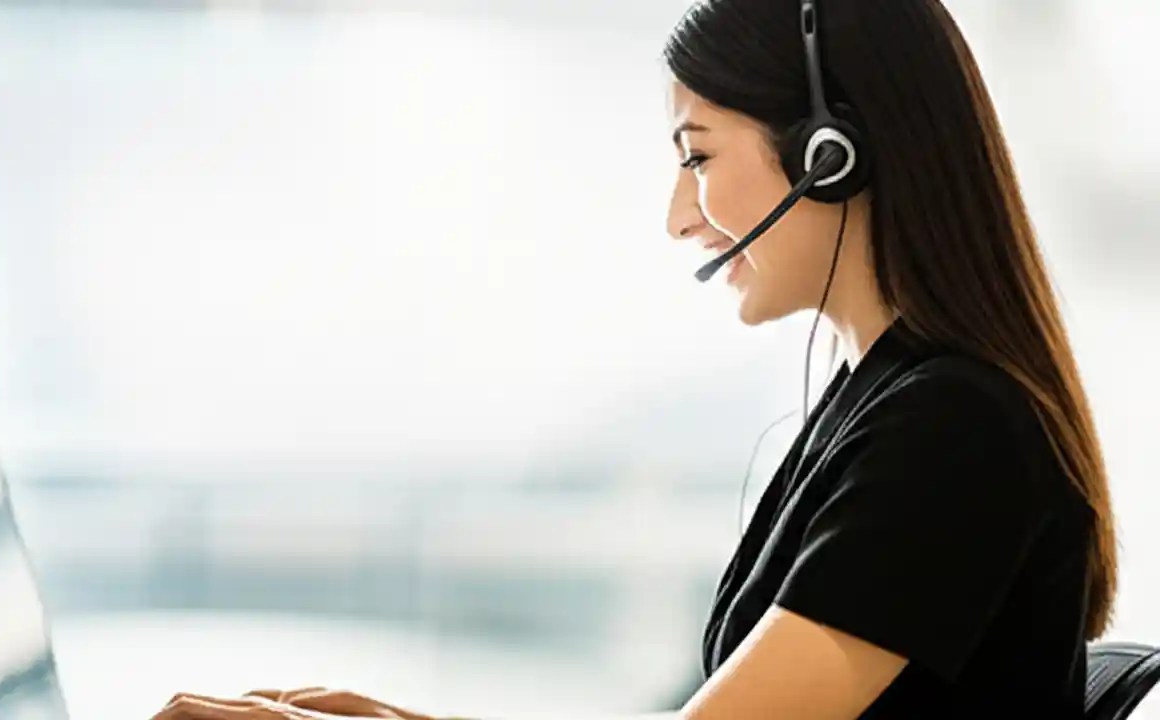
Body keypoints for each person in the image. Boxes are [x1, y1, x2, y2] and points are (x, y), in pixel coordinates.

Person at [152, 0, 1116, 717]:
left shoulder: (954, 430)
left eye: (697, 157)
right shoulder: (888, 400)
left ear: (832, 155)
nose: (678, 216)